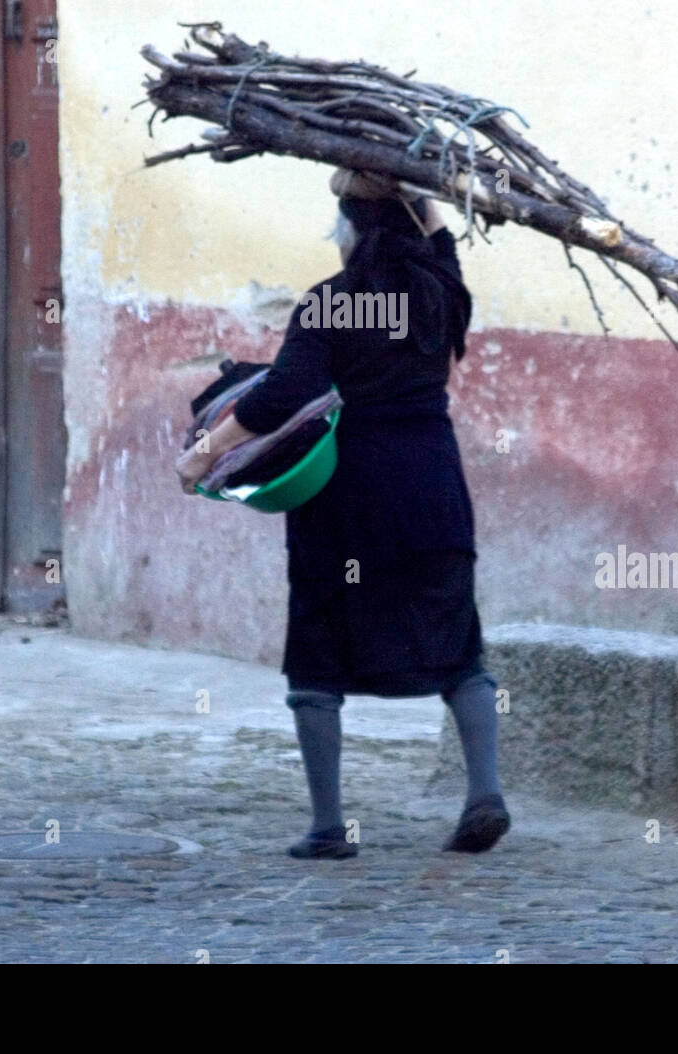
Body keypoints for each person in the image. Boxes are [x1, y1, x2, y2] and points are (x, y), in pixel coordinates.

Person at [175, 169, 509, 859]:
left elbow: (281, 397)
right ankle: (485, 794)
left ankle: (329, 826)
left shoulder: (331, 304)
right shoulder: (440, 290)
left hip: (347, 498)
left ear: (354, 233)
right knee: (456, 642)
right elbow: (440, 236)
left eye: (340, 227)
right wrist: (410, 179)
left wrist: (202, 454)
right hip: (433, 490)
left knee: (320, 651)